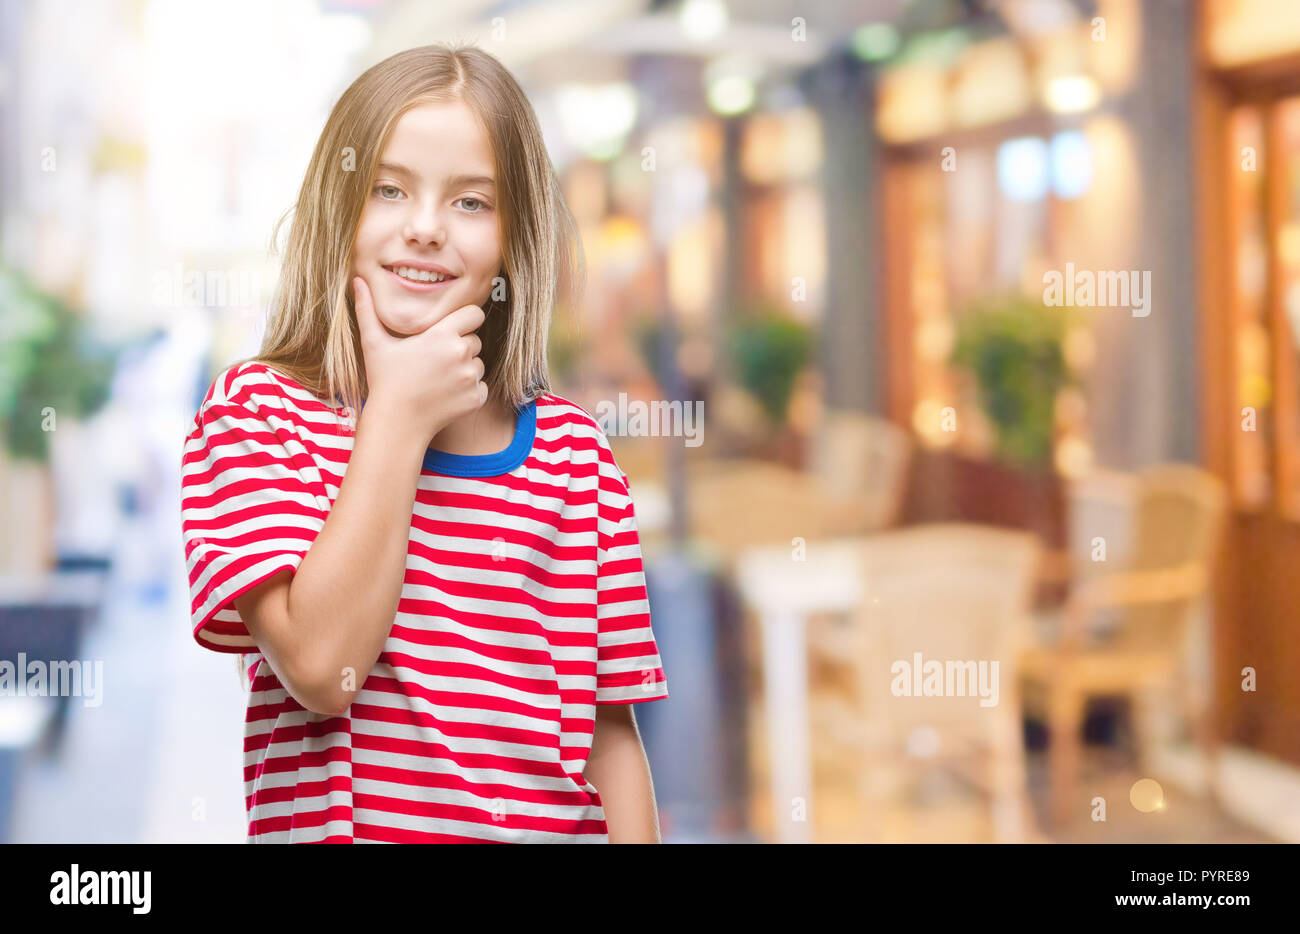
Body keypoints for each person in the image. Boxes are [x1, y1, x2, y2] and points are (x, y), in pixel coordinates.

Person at [179, 43, 669, 843]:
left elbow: (608, 736)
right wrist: (400, 416)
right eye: (388, 189)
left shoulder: (576, 459)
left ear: (513, 238)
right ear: (339, 210)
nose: (426, 228)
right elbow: (320, 667)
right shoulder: (258, 417)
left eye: (472, 202)